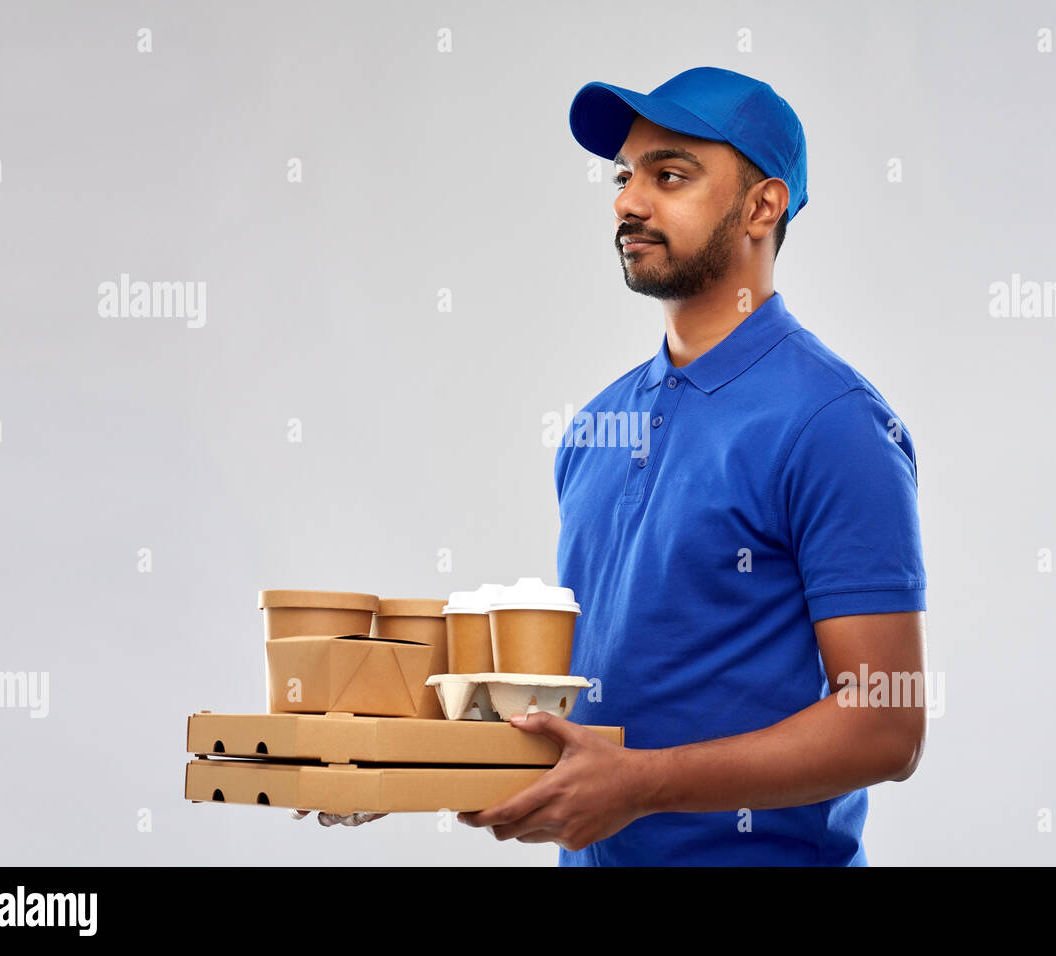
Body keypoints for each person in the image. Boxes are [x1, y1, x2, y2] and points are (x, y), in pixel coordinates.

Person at [305, 66, 929, 866]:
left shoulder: (834, 424)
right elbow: (601, 693)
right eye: (624, 176)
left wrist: (643, 784)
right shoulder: (597, 426)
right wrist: (395, 766)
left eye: (670, 175)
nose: (628, 201)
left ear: (762, 206)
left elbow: (885, 727)